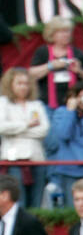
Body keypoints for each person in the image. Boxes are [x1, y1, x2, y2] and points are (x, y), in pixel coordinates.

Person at [0, 69, 50, 209]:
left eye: (26, 83)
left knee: (36, 203)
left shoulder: (36, 104)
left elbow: (44, 130)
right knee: (18, 203)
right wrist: (27, 125)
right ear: (10, 84)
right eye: (19, 83)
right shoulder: (3, 103)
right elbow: (2, 127)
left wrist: (17, 131)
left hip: (37, 158)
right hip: (13, 160)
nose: (23, 87)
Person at [29, 18, 83, 110]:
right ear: (52, 34)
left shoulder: (77, 52)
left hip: (73, 103)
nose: (66, 35)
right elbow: (31, 74)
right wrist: (50, 66)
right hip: (47, 103)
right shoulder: (43, 51)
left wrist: (79, 71)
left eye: (68, 31)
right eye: (62, 32)